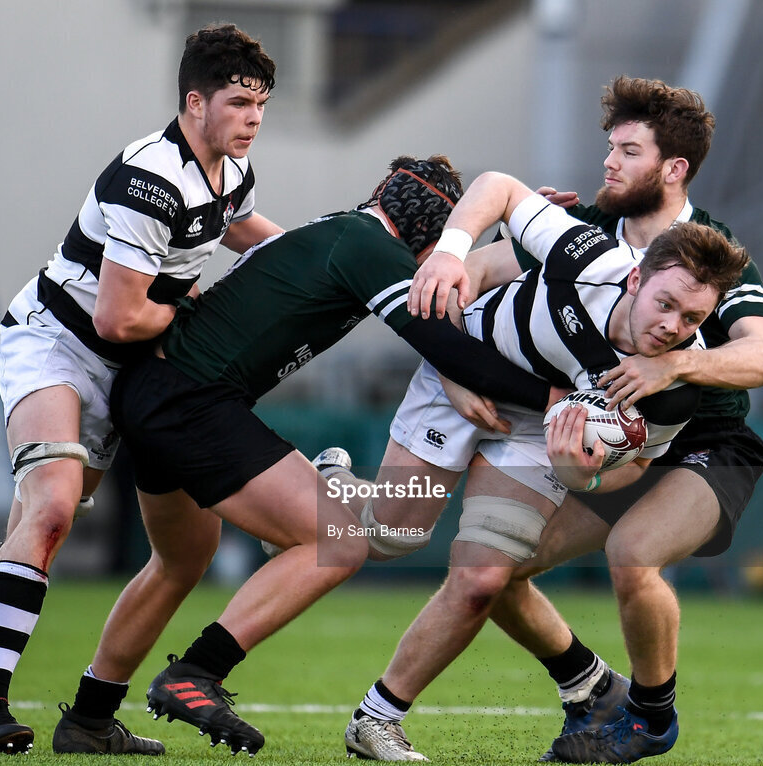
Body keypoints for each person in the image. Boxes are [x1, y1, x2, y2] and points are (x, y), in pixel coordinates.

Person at [360, 76, 763, 764]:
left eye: (628, 151)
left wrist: (672, 365)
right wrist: (449, 341)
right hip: (601, 439)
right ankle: (587, 685)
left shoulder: (709, 255)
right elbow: (471, 273)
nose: (610, 163)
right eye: (610, 149)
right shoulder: (587, 234)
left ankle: (650, 717)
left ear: (672, 169)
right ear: (633, 281)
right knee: (491, 571)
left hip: (702, 444)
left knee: (633, 553)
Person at [99, 155, 571, 757]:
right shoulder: (371, 248)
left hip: (162, 392)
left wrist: (530, 232)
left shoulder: (352, 231)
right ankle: (196, 674)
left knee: (176, 564)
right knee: (341, 541)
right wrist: (558, 399)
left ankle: (89, 715)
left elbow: (448, 327)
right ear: (430, 234)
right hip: (189, 400)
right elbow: (450, 346)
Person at [0, 24, 282, 755]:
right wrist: (198, 310)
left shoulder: (232, 173)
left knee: (33, 530)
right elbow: (119, 314)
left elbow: (250, 232)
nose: (254, 119)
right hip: (58, 343)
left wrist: (355, 256)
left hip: (123, 370)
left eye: (261, 104)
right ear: (194, 102)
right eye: (239, 103)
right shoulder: (150, 176)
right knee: (48, 513)